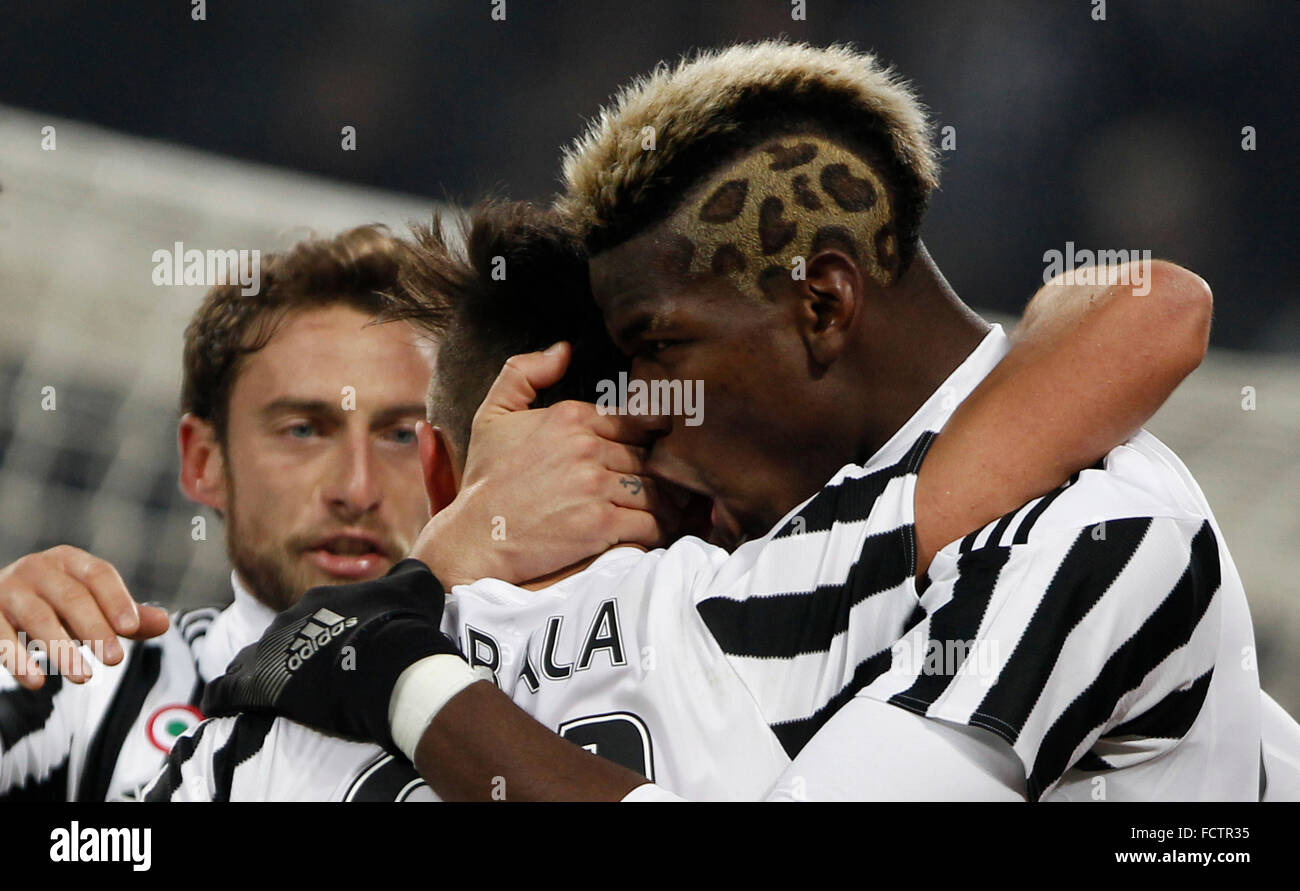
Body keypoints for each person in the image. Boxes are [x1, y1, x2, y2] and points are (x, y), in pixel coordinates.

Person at [155, 184, 1236, 801]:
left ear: (439, 470)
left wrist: (416, 592)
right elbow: (1147, 307)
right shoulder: (809, 598)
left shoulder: (242, 732)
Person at [0, 224, 659, 800]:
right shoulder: (85, 680)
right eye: (304, 429)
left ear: (449, 456)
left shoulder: (583, 676)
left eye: (400, 433)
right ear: (205, 460)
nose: (356, 487)